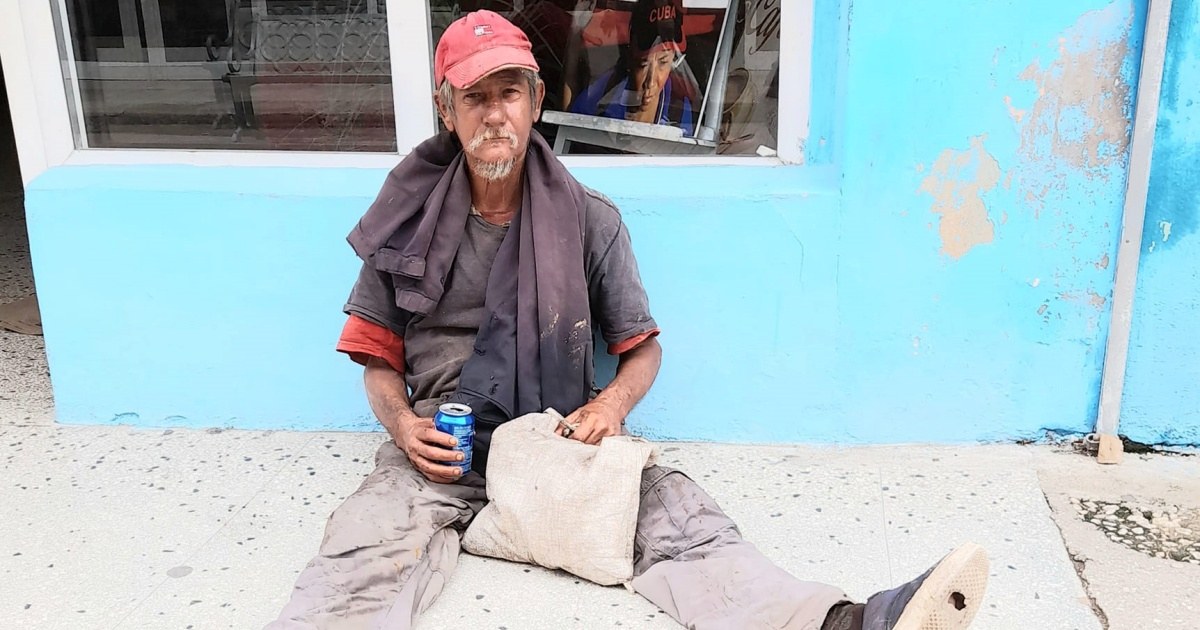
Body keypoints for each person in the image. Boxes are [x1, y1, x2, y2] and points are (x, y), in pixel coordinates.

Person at [266, 10, 991, 630]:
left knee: (680, 520)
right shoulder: (407, 217)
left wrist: (609, 407)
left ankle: (846, 623)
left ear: (535, 99)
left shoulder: (589, 221)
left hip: (552, 443)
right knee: (357, 557)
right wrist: (402, 429)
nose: (494, 114)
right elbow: (375, 354)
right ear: (445, 108)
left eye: (509, 92)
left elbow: (641, 352)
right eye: (474, 95)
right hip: (440, 455)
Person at [569, 0, 696, 135]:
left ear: (673, 60)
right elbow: (569, 128)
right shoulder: (606, 95)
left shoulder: (679, 110)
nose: (650, 82)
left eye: (663, 62)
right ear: (630, 59)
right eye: (643, 64)